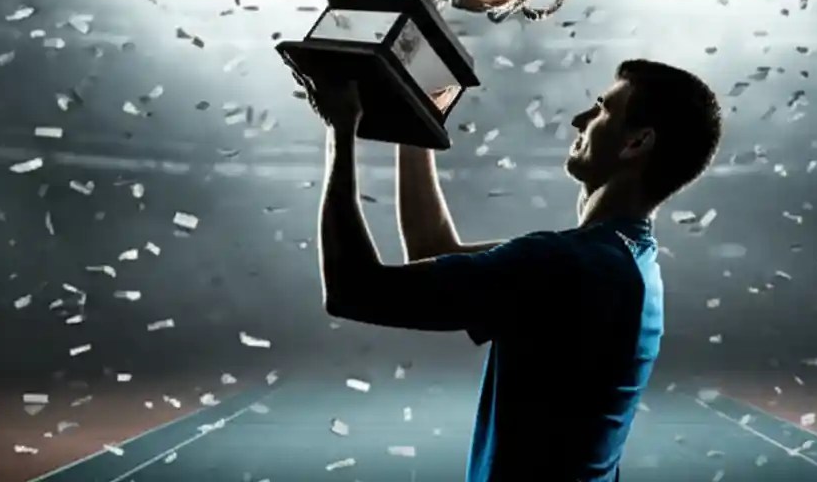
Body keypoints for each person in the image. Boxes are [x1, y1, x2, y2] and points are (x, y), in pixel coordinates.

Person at [296, 59, 722, 482]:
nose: (580, 119)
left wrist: (340, 129)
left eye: (601, 109)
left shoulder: (565, 265)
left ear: (637, 142)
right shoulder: (620, 257)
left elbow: (353, 289)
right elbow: (434, 248)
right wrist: (416, 125)